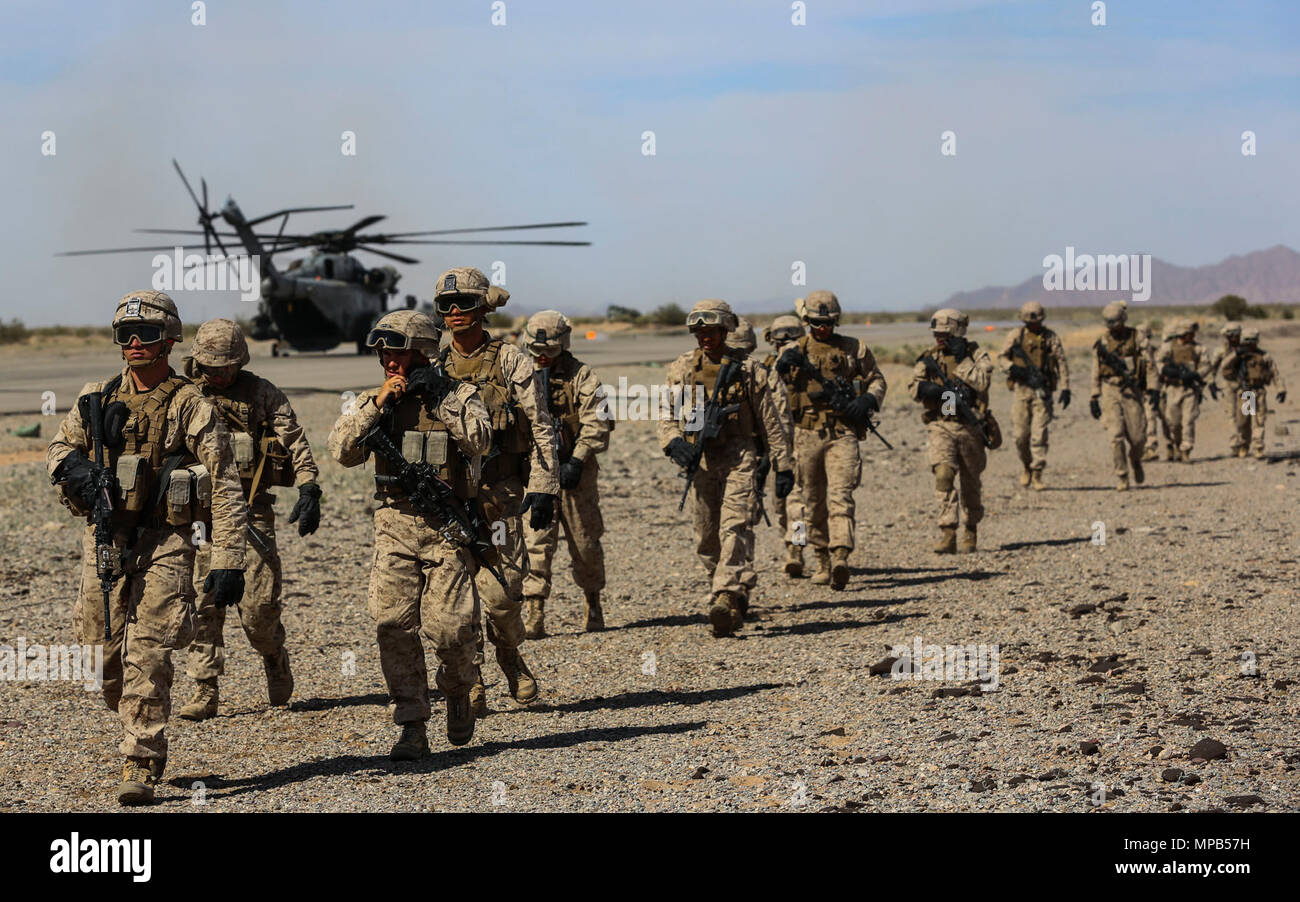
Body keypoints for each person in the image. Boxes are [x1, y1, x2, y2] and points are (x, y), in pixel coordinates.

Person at [47, 290, 248, 804]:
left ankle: (141, 760)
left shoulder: (189, 404)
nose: (135, 343)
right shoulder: (97, 397)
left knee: (149, 653)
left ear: (171, 340)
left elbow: (226, 486)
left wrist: (227, 561)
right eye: (125, 335)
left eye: (149, 334)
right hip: (105, 539)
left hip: (166, 540)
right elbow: (58, 448)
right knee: (102, 658)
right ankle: (131, 719)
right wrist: (78, 472)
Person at [327, 310, 491, 758]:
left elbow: (480, 440)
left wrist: (440, 398)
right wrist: (377, 405)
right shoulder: (376, 401)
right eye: (382, 355)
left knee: (453, 630)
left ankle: (458, 689)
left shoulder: (460, 394)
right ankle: (412, 724)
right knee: (393, 626)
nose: (389, 363)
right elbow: (341, 451)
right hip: (394, 525)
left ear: (421, 353)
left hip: (446, 529)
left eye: (396, 353)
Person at [177, 318, 321, 720]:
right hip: (198, 514)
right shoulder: (184, 396)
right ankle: (205, 687)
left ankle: (273, 656)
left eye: (227, 367)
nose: (220, 375)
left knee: (258, 609)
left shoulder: (261, 393)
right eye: (211, 368)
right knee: (201, 603)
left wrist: (309, 486)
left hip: (250, 512)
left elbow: (294, 439)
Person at [434, 268, 558, 715]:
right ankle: (472, 679)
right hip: (449, 497)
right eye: (446, 306)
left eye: (464, 304)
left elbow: (542, 425)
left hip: (501, 494)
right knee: (455, 596)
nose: (454, 313)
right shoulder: (433, 367)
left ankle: (509, 652)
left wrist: (544, 488)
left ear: (483, 308)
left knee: (504, 596)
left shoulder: (511, 360)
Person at [660, 299, 793, 636]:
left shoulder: (750, 370)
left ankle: (726, 593)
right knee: (706, 535)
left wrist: (783, 465)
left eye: (712, 330)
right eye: (700, 330)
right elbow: (667, 413)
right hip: (699, 458)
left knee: (735, 525)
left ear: (725, 330)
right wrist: (674, 443)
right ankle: (725, 591)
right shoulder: (681, 368)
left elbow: (771, 422)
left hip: (739, 455)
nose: (706, 336)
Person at [773, 291, 886, 588]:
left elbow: (877, 379)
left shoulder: (854, 348)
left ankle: (840, 557)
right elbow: (772, 389)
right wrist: (782, 366)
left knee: (841, 497)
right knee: (810, 502)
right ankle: (818, 556)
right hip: (805, 434)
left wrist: (867, 402)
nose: (822, 329)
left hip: (842, 433)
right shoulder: (794, 349)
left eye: (828, 323)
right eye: (816, 323)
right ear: (807, 321)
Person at [520, 309, 613, 637]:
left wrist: (578, 458)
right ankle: (533, 608)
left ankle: (593, 600)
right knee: (535, 541)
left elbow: (598, 421)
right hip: (536, 471)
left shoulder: (582, 376)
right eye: (536, 351)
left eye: (549, 351)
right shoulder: (521, 375)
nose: (542, 357)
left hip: (576, 473)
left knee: (585, 543)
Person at [907, 308, 994, 553]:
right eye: (937, 334)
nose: (939, 338)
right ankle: (948, 531)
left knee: (970, 482)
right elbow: (913, 388)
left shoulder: (976, 354)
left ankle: (971, 528)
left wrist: (963, 363)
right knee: (943, 474)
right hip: (941, 424)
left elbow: (983, 382)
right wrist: (927, 390)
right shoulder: (929, 358)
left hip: (970, 427)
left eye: (944, 334)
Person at [997, 301, 1070, 489]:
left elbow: (1061, 362)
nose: (1033, 325)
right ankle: (1026, 466)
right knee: (1020, 437)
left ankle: (1037, 473)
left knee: (1039, 435)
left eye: (1036, 321)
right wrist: (1014, 369)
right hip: (1021, 390)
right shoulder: (1016, 336)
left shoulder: (1050, 337)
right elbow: (1001, 358)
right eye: (1029, 322)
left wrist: (1065, 388)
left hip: (1042, 392)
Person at [761, 315, 807, 576]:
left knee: (797, 503)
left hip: (803, 438)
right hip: (776, 445)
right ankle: (788, 541)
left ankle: (796, 549)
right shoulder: (768, 367)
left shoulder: (808, 364)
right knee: (780, 503)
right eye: (781, 341)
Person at [1089, 301, 1151, 490]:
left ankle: (1136, 460)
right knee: (1115, 436)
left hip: (1132, 391)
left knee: (1138, 438)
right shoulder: (1102, 342)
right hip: (1110, 390)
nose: (1113, 328)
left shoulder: (1137, 337)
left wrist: (1154, 389)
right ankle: (1122, 476)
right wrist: (1094, 395)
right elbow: (1095, 369)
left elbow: (1149, 364)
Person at [1221, 326, 1287, 459]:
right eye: (1247, 342)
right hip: (1246, 393)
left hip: (1259, 391)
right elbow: (1224, 367)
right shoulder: (1239, 357)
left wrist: (1281, 389)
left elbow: (1275, 373)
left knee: (1259, 420)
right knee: (1244, 422)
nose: (1250, 345)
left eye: (1252, 342)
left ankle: (1258, 447)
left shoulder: (1264, 356)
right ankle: (1244, 445)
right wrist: (1237, 354)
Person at [1155, 318, 1214, 462]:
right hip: (1172, 389)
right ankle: (1176, 445)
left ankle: (1186, 449)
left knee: (1188, 421)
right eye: (1190, 333)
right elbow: (1157, 362)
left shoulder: (1199, 349)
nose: (1193, 336)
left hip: (1190, 390)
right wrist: (1168, 371)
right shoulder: (1168, 347)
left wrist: (1195, 374)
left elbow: (1206, 366)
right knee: (1173, 422)